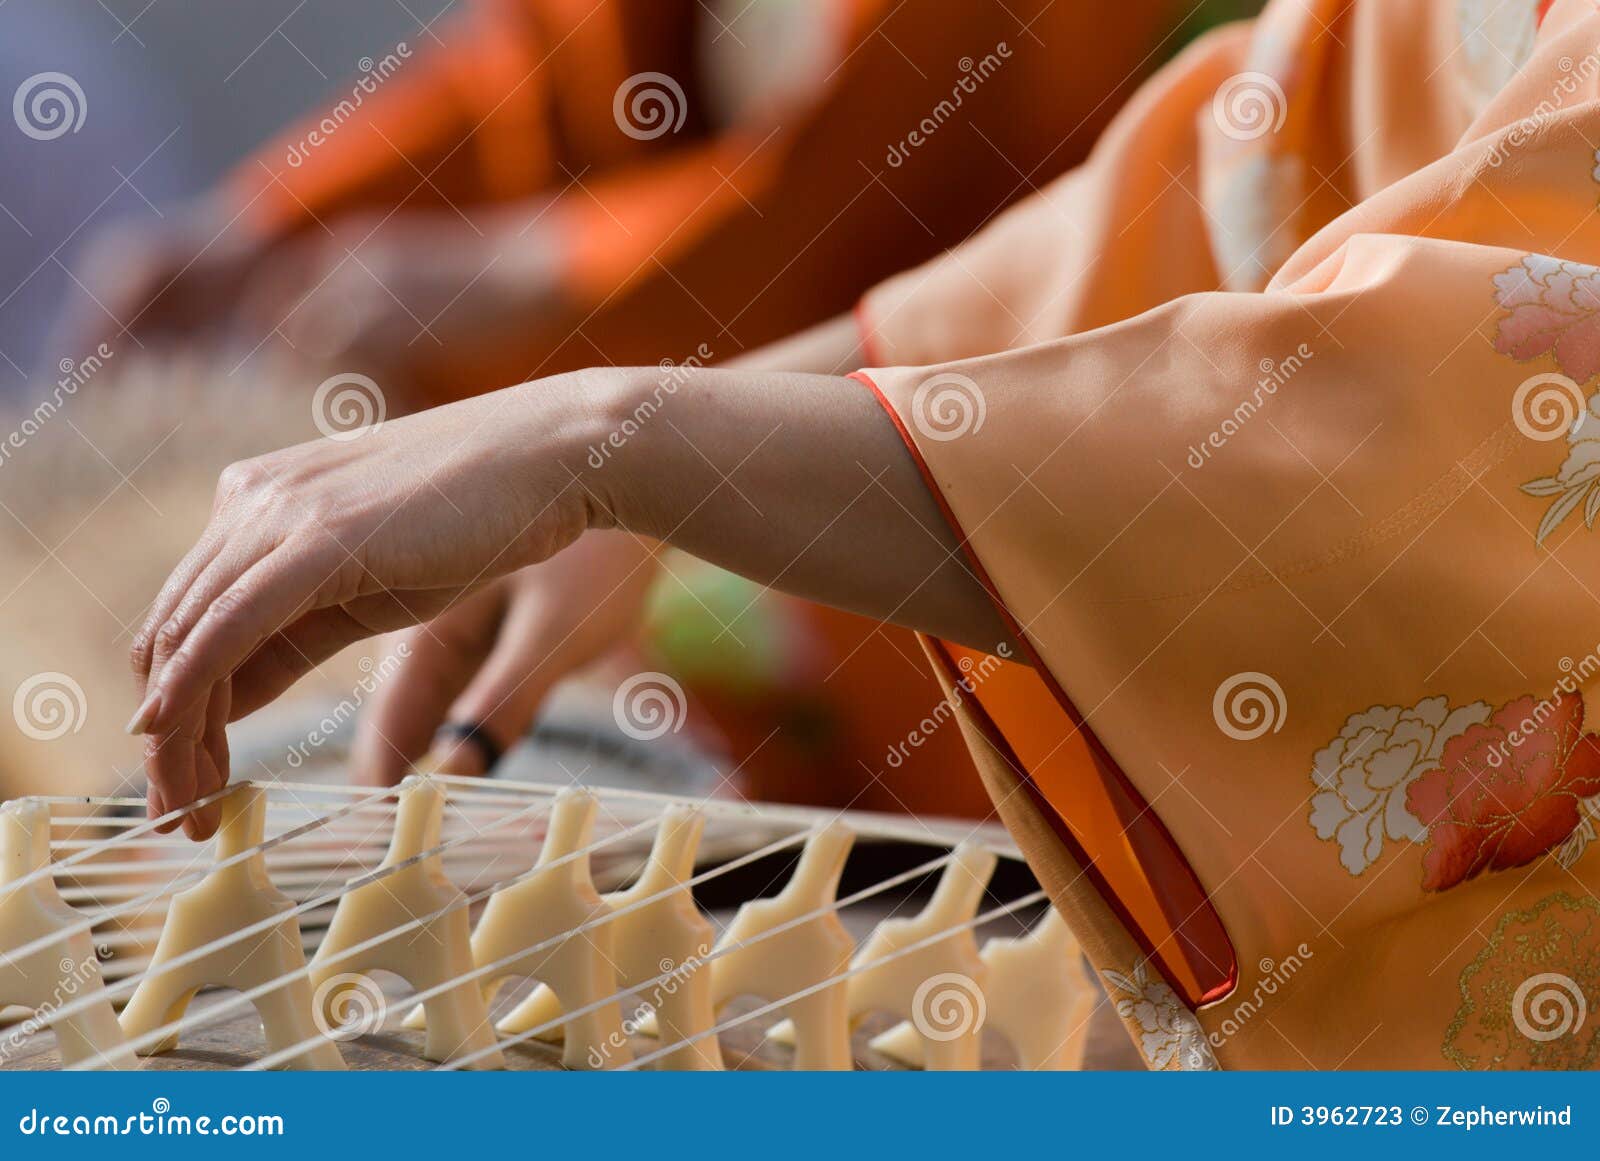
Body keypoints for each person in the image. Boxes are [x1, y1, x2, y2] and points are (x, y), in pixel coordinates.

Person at [130, 0, 1600, 1069]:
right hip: (867, 537)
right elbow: (1243, 167)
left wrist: (608, 423)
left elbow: (1462, 438)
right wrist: (291, 224)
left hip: (917, 615)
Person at [75, 0, 1180, 806]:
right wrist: (275, 212)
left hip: (995, 497)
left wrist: (539, 301)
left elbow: (845, 181)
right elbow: (538, 54)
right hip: (720, 475)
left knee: (952, 924)